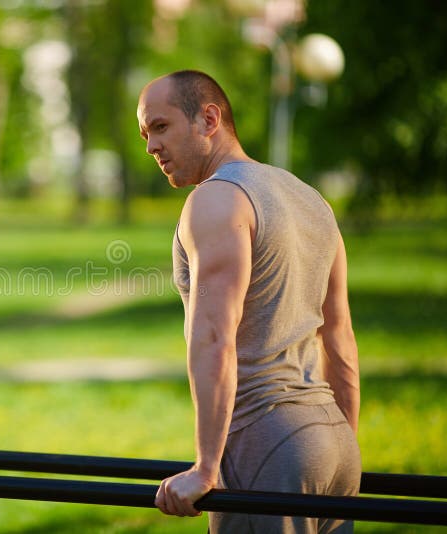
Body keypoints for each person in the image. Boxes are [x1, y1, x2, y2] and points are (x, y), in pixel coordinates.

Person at [138, 70, 361, 533]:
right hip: (335, 443)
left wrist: (204, 467)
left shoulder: (217, 200)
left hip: (266, 440)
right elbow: (338, 337)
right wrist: (342, 447)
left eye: (160, 127)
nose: (150, 147)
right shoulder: (312, 201)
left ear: (209, 118)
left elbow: (215, 335)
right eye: (145, 134)